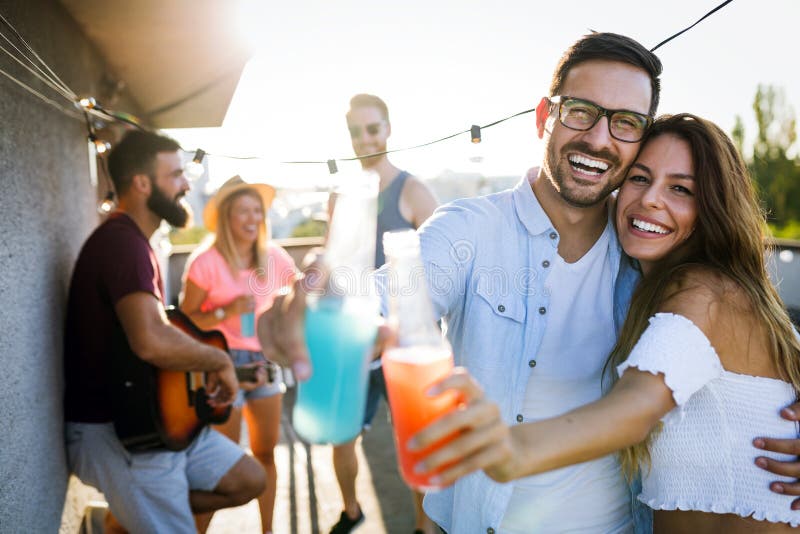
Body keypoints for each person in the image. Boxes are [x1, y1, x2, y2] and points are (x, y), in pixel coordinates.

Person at [258, 33, 800, 533]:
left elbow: (755, 348)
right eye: (582, 112)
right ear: (545, 115)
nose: (599, 137)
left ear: (640, 139)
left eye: (626, 123)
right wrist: (315, 306)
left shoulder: (652, 252)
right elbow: (384, 293)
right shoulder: (468, 230)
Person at [411, 113, 800, 531]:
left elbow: (637, 406)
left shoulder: (704, 291)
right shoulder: (660, 289)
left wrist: (512, 448)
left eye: (681, 188)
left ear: (713, 207)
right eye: (639, 178)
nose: (650, 199)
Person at [63, 130, 265, 534]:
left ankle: (130, 508)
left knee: (250, 480)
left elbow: (148, 342)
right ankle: (138, 503)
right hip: (119, 434)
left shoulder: (138, 243)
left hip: (154, 422)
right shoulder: (122, 244)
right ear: (142, 184)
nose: (186, 184)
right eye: (175, 175)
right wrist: (219, 360)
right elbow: (150, 339)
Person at [328, 94, 439, 534]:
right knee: (342, 435)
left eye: (372, 128)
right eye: (356, 132)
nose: (364, 139)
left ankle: (421, 527)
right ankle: (351, 511)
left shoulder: (413, 191)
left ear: (388, 128)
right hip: (353, 340)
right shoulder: (342, 196)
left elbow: (443, 267)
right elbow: (335, 266)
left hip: (405, 341)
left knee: (415, 439)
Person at [180, 175, 297, 534]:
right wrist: (225, 311)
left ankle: (267, 530)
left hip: (263, 364)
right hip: (220, 365)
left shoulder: (275, 257)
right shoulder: (206, 262)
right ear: (227, 217)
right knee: (222, 463)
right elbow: (184, 323)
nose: (252, 219)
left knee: (265, 454)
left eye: (257, 211)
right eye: (243, 211)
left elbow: (298, 301)